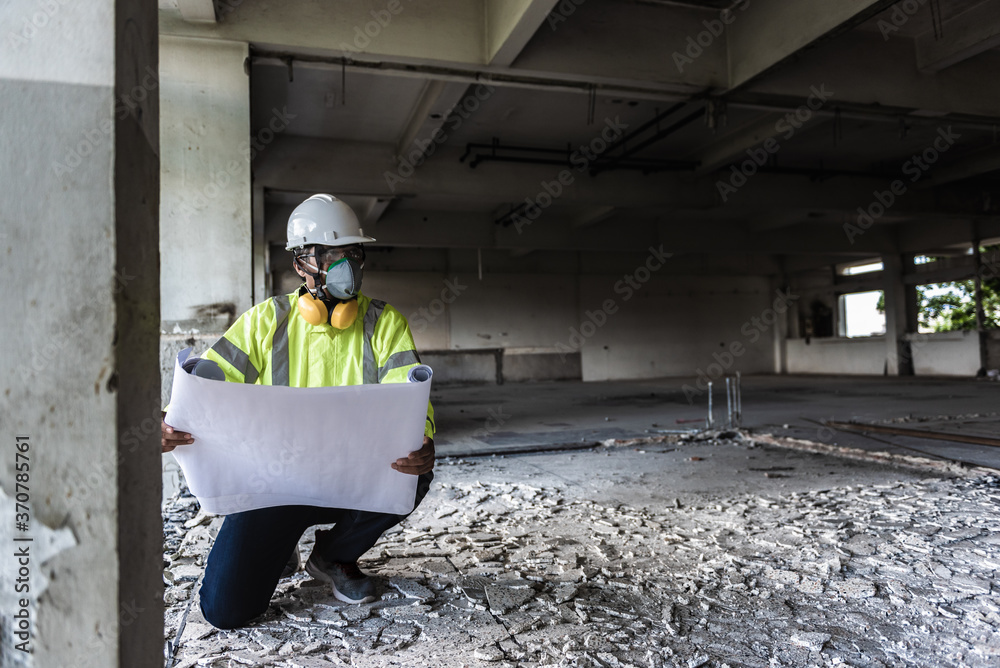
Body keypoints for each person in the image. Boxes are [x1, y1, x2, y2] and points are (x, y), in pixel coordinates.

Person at [161, 193, 436, 630]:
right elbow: (204, 385)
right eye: (329, 255)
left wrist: (421, 442)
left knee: (414, 474)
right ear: (300, 265)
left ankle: (333, 556)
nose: (345, 266)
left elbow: (412, 404)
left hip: (353, 477)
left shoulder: (385, 323)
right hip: (273, 485)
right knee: (226, 611)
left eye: (351, 253)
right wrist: (172, 420)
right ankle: (279, 542)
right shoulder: (265, 321)